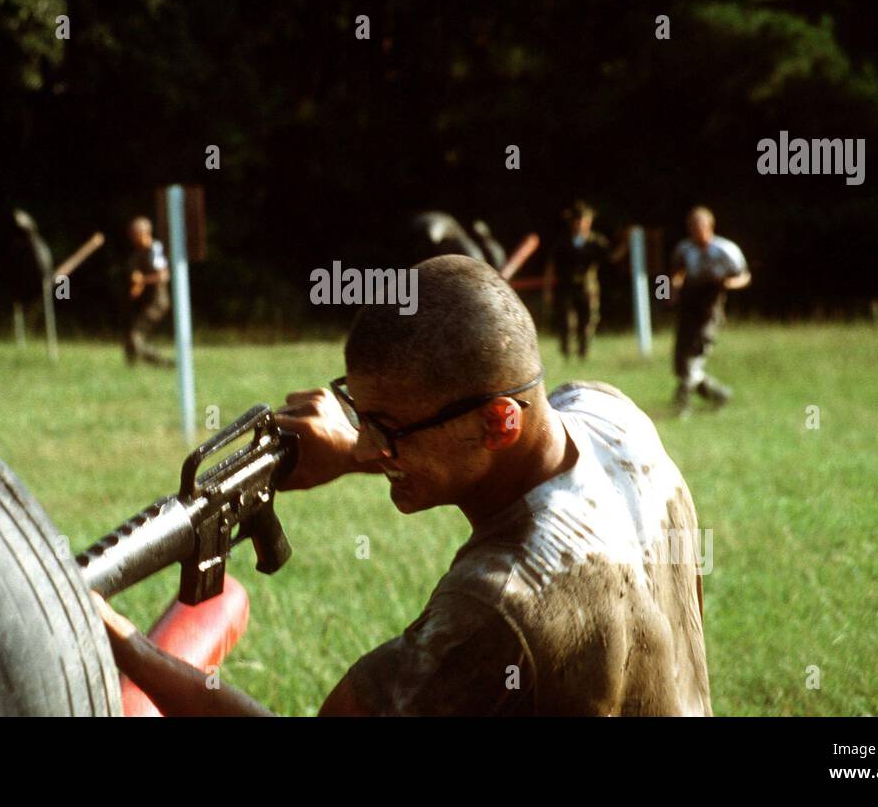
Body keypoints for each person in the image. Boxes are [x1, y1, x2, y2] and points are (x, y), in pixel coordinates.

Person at [95, 255, 712, 716]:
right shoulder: (614, 418)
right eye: (359, 416)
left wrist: (127, 646)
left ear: (499, 420)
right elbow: (514, 453)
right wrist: (355, 453)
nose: (365, 444)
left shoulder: (497, 606)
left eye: (387, 428)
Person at [669, 207, 750, 416]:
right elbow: (676, 273)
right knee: (680, 362)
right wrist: (672, 290)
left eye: (700, 228)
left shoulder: (725, 250)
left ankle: (683, 404)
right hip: (688, 308)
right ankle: (719, 394)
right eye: (692, 228)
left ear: (710, 227)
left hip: (710, 310)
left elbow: (745, 275)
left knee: (694, 359)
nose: (696, 233)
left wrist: (730, 283)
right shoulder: (684, 249)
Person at [543, 201, 627, 360]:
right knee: (567, 322)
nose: (581, 223)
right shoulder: (562, 242)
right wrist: (547, 289)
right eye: (578, 220)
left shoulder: (596, 241)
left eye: (584, 220)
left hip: (588, 288)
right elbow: (551, 266)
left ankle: (584, 352)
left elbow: (611, 259)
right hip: (566, 288)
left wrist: (626, 244)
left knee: (588, 321)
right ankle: (566, 353)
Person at [123, 216, 172, 366]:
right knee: (129, 336)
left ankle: (164, 364)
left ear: (144, 233)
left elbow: (163, 275)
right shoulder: (139, 253)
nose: (131, 238)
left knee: (135, 337)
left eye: (133, 234)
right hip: (144, 301)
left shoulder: (154, 250)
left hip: (157, 301)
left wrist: (142, 280)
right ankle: (131, 371)